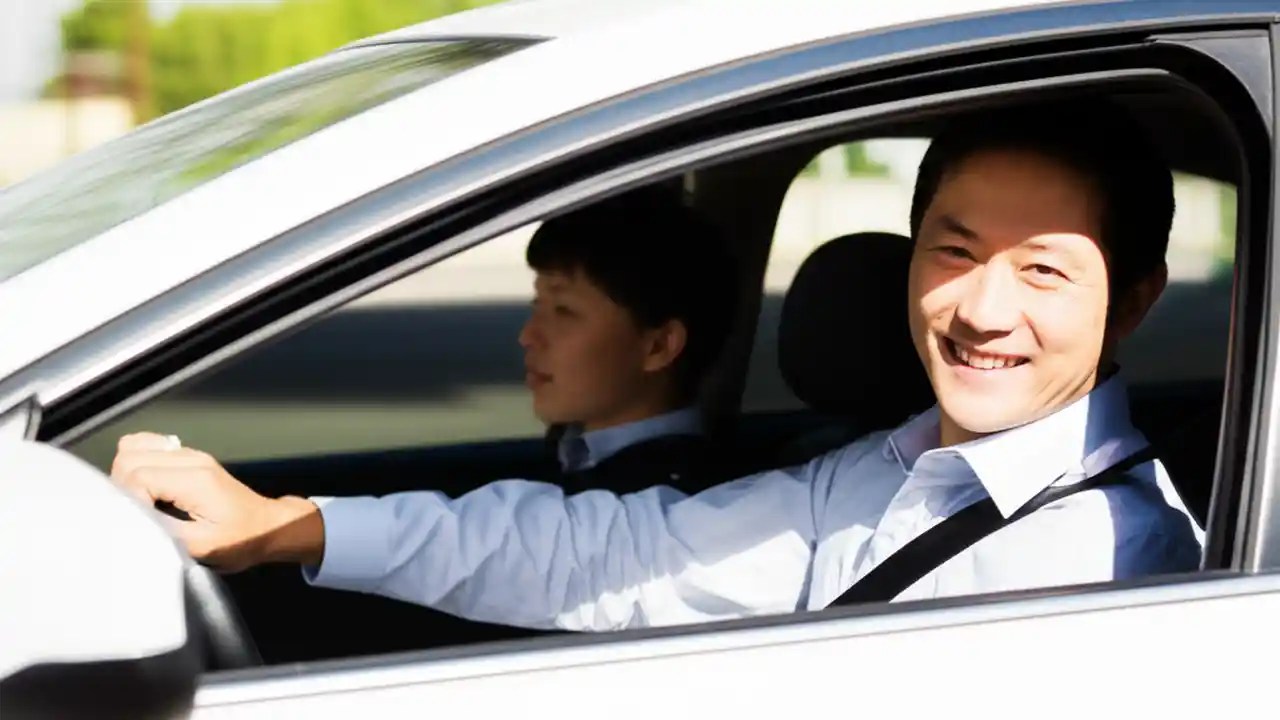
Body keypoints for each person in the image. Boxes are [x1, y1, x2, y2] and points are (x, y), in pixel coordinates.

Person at [111, 102, 1204, 633]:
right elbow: (612, 550)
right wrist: (286, 524)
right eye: (952, 252)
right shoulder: (870, 476)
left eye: (1043, 271)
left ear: (1133, 301)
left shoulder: (1122, 562)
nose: (979, 308)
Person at [520, 188, 738, 495]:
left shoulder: (663, 505)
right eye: (537, 306)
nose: (528, 336)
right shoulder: (573, 458)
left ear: (658, 346)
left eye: (564, 311)